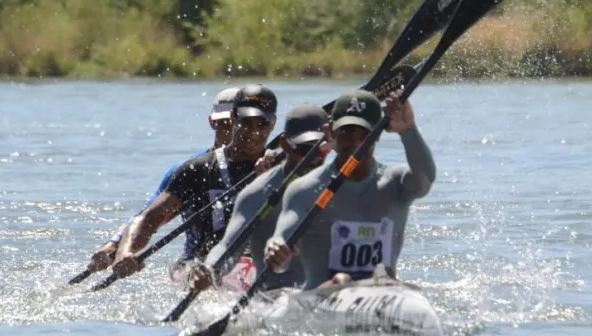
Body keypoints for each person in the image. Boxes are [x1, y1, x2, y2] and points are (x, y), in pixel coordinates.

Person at [263, 89, 435, 290]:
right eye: (346, 132)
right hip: (322, 295)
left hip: (384, 290)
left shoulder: (396, 183)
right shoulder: (305, 189)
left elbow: (426, 180)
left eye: (364, 135)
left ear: (378, 134)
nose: (355, 142)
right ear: (331, 132)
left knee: (385, 278)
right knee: (341, 280)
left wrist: (408, 130)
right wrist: (275, 250)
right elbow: (281, 245)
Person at [110, 84, 278, 278]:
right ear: (233, 118)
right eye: (246, 122)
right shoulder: (197, 170)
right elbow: (148, 220)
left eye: (262, 124)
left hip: (260, 266)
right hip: (201, 269)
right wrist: (124, 252)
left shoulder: (284, 169)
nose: (253, 132)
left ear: (273, 125)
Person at [85, 86, 238, 274]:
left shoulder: (273, 168)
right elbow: (148, 217)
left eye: (238, 123)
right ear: (211, 122)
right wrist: (115, 247)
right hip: (196, 268)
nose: (231, 131)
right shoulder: (190, 171)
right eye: (223, 124)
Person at [189, 103, 332, 293]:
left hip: (330, 291)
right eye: (304, 150)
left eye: (320, 150)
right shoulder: (256, 193)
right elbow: (228, 246)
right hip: (275, 295)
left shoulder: (342, 187)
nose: (314, 159)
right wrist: (210, 269)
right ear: (284, 145)